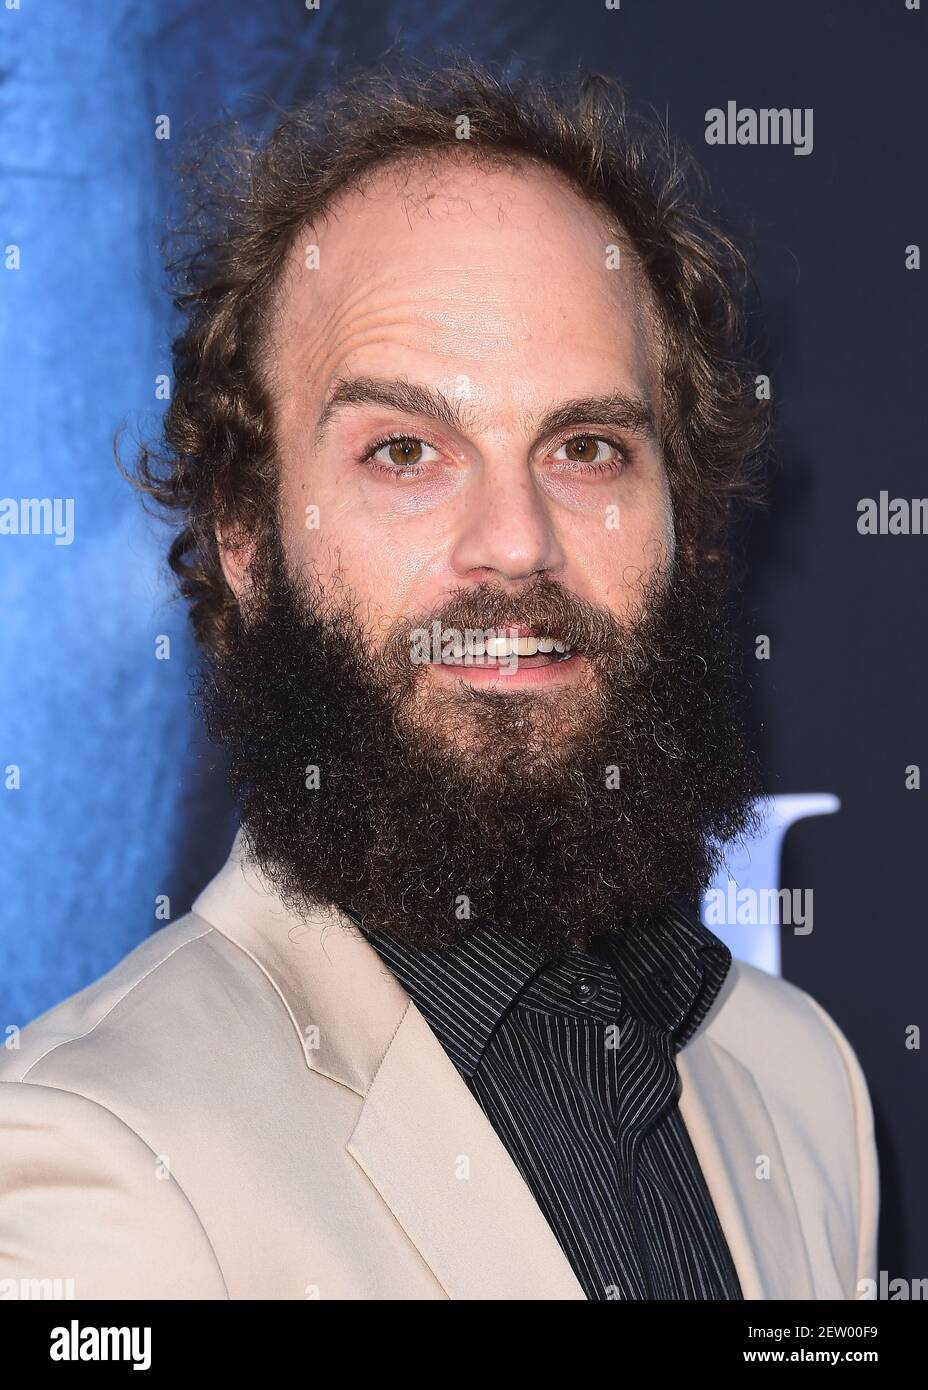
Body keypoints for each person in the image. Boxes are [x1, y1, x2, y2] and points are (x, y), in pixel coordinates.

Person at [0, 56, 877, 1300]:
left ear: (685, 512)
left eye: (586, 447)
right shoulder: (86, 1165)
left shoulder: (796, 1082)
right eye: (404, 450)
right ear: (247, 537)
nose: (515, 540)